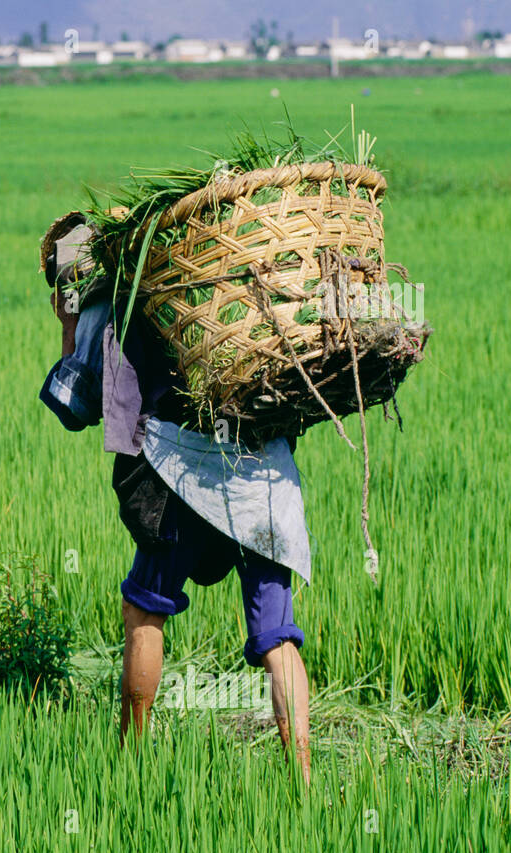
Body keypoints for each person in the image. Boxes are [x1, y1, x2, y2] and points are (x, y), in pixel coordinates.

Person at [40, 220, 312, 783]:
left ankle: (129, 764)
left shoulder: (113, 293)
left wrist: (70, 329)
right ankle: (303, 782)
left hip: (177, 471)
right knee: (276, 635)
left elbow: (74, 406)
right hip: (262, 474)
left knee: (146, 606)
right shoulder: (239, 280)